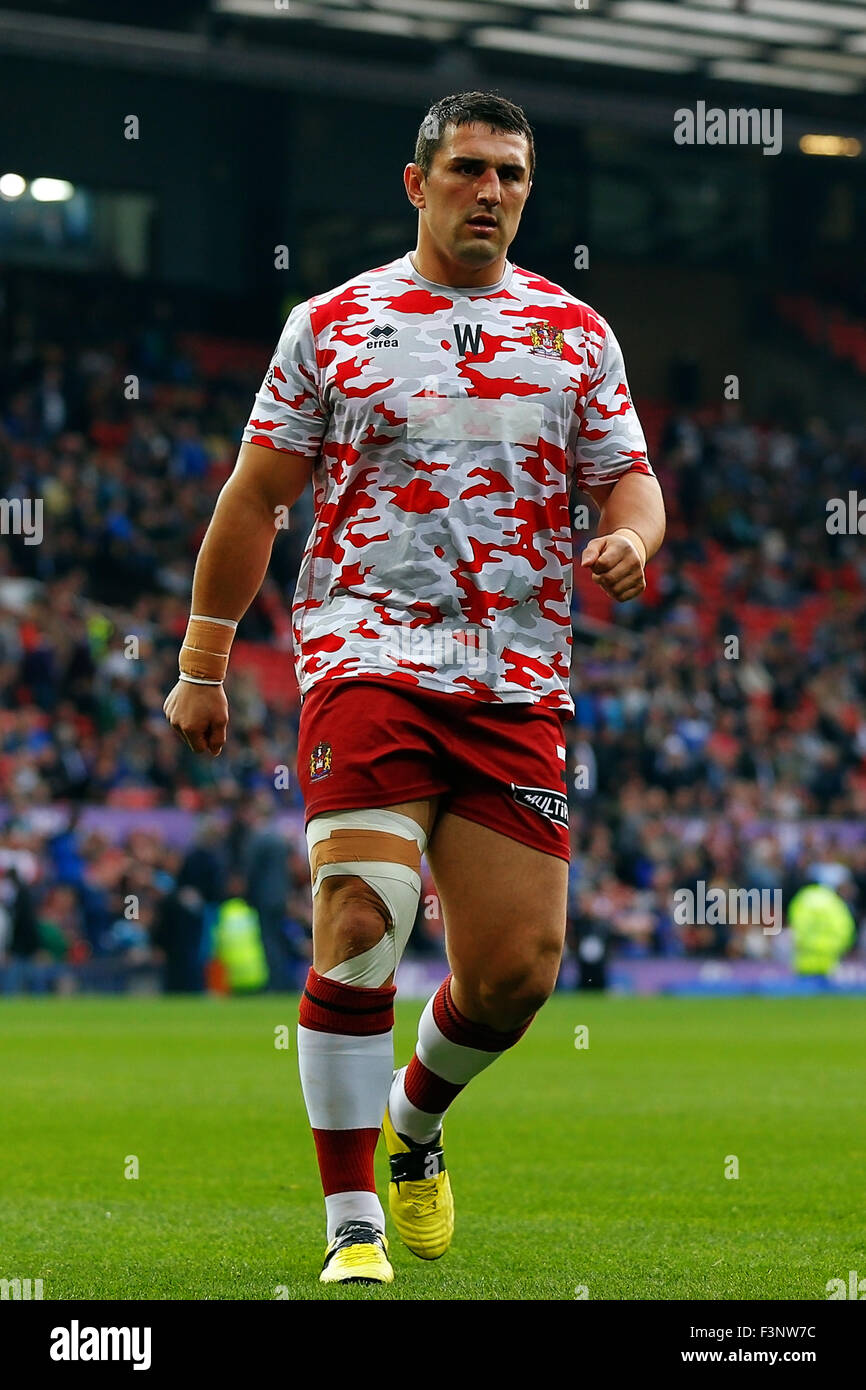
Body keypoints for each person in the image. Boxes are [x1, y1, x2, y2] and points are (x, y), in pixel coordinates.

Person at [164, 90, 665, 1286]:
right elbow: (256, 495)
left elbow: (628, 479)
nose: (489, 191)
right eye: (467, 169)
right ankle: (352, 1225)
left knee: (513, 976)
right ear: (416, 182)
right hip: (367, 658)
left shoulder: (574, 332)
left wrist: (631, 538)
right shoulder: (332, 324)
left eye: (510, 174)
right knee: (358, 917)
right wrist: (200, 662)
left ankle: (414, 1117)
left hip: (516, 682)